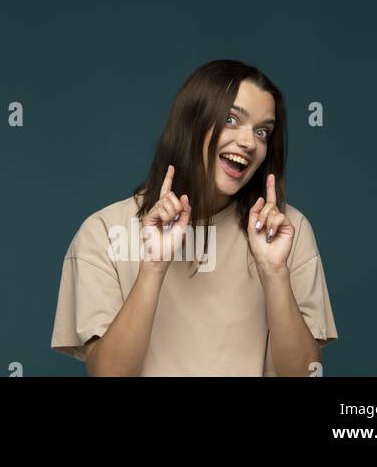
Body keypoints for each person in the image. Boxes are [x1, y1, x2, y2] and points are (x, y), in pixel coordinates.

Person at [51, 60, 337, 375]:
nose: (248, 142)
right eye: (231, 119)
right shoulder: (104, 232)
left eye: (262, 132)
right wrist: (154, 266)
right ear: (191, 121)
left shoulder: (286, 232)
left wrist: (274, 272)